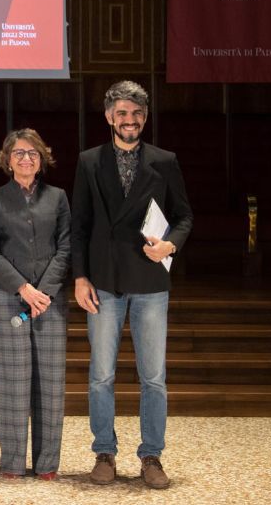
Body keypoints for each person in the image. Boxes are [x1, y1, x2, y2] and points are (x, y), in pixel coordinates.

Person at [71, 80, 193, 489]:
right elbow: (79, 225)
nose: (130, 120)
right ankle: (104, 452)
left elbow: (184, 216)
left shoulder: (165, 160)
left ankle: (151, 455)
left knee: (153, 377)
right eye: (122, 113)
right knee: (101, 375)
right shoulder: (89, 161)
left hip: (149, 280)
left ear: (146, 117)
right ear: (109, 116)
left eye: (137, 113)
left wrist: (171, 245)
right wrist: (80, 277)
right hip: (104, 281)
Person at [0, 128, 71, 481]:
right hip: (8, 298)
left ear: (42, 158)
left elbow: (66, 247)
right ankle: (13, 461)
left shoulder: (58, 197)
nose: (26, 159)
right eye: (18, 153)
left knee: (50, 383)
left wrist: (42, 292)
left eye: (32, 153)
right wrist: (24, 289)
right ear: (7, 159)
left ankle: (47, 463)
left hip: (50, 301)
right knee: (12, 382)